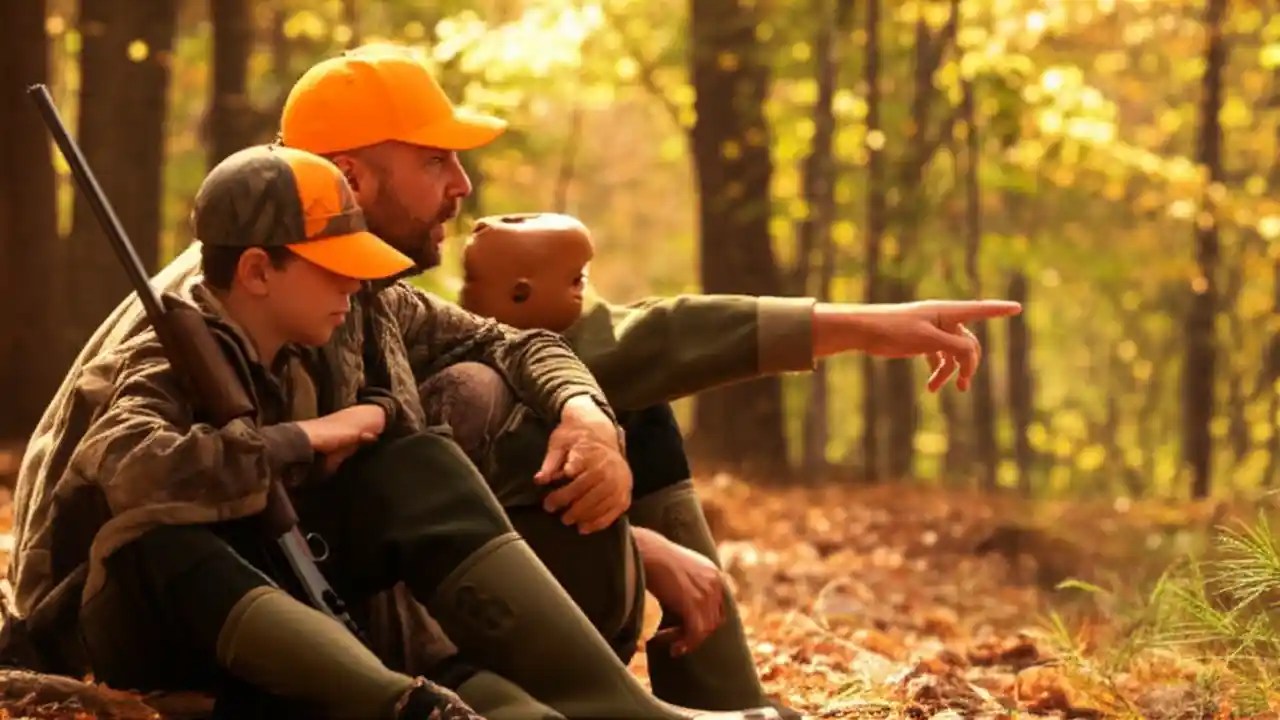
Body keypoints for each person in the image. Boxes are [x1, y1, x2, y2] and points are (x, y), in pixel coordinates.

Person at [7, 42, 1020, 720]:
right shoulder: (216, 304)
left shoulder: (354, 292)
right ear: (350, 181)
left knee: (602, 406)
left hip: (325, 582)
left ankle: (714, 701)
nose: (463, 186)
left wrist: (590, 416)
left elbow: (568, 343)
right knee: (430, 450)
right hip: (179, 617)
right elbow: (170, 505)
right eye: (437, 158)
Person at [62, 144, 488, 719]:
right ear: (258, 271)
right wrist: (305, 438)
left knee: (416, 467)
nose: (352, 285)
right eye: (333, 267)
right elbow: (133, 467)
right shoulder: (159, 360)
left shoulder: (297, 359)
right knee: (159, 542)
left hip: (262, 613)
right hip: (144, 630)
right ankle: (406, 706)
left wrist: (379, 413)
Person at [459, 211, 763, 710]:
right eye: (578, 280)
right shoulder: (455, 368)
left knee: (636, 410)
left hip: (551, 606)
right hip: (484, 618)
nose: (587, 292)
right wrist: (635, 547)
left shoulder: (510, 344)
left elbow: (651, 339)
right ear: (519, 292)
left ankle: (720, 693)